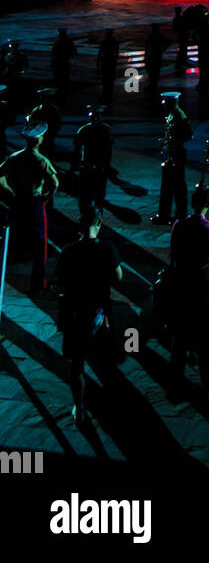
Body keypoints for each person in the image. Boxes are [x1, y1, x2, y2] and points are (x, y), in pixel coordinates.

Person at [56, 205, 122, 426]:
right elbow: (118, 277)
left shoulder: (69, 251)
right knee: (105, 361)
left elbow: (61, 280)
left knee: (77, 364)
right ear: (100, 224)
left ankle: (80, 407)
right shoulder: (107, 248)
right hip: (99, 313)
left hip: (75, 313)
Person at [168, 184, 209, 393]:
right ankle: (206, 367)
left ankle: (177, 368)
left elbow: (172, 251)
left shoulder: (179, 224)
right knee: (203, 320)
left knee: (181, 322)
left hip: (182, 275)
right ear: (208, 204)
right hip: (201, 276)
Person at [0, 121, 59, 292]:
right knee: (40, 244)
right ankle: (39, 284)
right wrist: (48, 196)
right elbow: (54, 183)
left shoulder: (14, 157)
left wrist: (9, 193)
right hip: (34, 202)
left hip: (17, 200)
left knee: (9, 240)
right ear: (38, 140)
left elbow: (0, 177)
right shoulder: (41, 160)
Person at [151, 93, 193, 225]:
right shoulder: (171, 114)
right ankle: (164, 214)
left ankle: (180, 215)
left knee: (178, 186)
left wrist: (175, 142)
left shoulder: (179, 116)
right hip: (171, 154)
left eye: (166, 102)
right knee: (167, 186)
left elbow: (188, 134)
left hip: (177, 154)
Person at [71, 104, 113, 215]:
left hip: (96, 167)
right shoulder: (101, 129)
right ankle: (88, 216)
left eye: (96, 117)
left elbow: (108, 150)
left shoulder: (88, 130)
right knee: (88, 195)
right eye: (93, 117)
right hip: (89, 166)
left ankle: (94, 216)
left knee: (97, 194)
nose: (94, 119)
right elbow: (77, 149)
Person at [26, 89, 62, 161]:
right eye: (43, 98)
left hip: (49, 137)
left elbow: (57, 124)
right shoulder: (36, 110)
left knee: (48, 157)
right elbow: (31, 124)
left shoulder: (54, 111)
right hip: (38, 137)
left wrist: (50, 134)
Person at [51, 28, 78, 102]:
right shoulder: (67, 42)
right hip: (62, 63)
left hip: (59, 63)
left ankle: (59, 96)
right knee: (63, 80)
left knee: (59, 81)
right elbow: (74, 53)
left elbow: (53, 54)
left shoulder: (57, 42)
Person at [96, 30, 120, 108]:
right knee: (109, 78)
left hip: (106, 61)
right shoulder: (114, 42)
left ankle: (105, 93)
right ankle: (108, 93)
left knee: (106, 78)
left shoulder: (104, 42)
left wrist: (98, 62)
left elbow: (100, 53)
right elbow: (116, 53)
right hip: (110, 61)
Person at [145, 23, 167, 100]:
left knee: (152, 72)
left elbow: (147, 47)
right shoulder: (159, 36)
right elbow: (168, 42)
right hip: (157, 55)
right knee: (156, 72)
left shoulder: (151, 36)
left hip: (152, 56)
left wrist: (146, 57)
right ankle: (154, 86)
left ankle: (152, 86)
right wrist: (162, 49)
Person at [196, 22, 209, 110]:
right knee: (206, 68)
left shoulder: (201, 29)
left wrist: (198, 43)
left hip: (203, 49)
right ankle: (204, 83)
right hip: (207, 50)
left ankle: (202, 83)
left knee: (202, 67)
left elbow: (194, 35)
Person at [173, 6, 190, 73]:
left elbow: (175, 29)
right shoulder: (180, 19)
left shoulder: (177, 19)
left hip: (181, 35)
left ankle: (181, 63)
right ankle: (181, 63)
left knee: (182, 50)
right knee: (183, 50)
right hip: (182, 35)